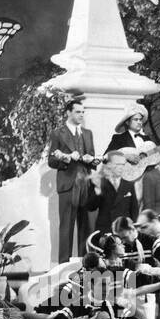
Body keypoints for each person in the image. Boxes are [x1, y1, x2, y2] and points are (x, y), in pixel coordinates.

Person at [47, 98, 99, 263]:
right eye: (78, 112)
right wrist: (67, 159)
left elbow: (91, 157)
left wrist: (92, 160)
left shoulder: (88, 133)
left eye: (83, 112)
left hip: (86, 184)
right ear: (68, 112)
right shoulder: (58, 133)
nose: (81, 115)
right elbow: (51, 161)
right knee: (66, 227)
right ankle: (63, 266)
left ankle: (86, 264)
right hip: (68, 185)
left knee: (86, 227)